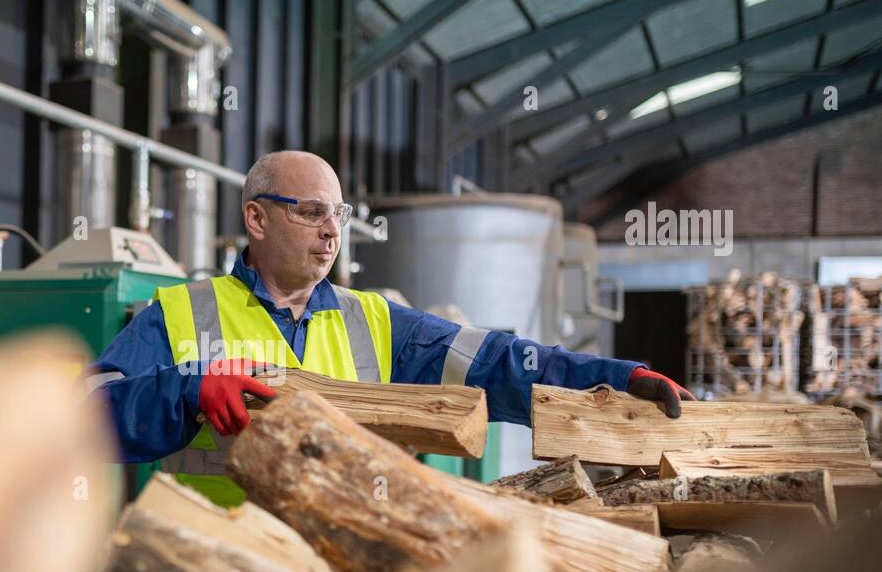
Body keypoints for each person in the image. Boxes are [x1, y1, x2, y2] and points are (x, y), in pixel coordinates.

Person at [90, 150, 691, 506]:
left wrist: (613, 376)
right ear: (256, 218)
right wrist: (187, 391)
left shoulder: (376, 322)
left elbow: (500, 362)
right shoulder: (177, 313)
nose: (332, 230)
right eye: (311, 212)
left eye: (339, 214)